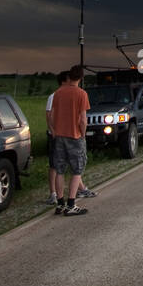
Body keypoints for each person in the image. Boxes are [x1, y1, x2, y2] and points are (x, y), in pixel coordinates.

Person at [50, 65, 94, 215]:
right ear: (81, 78)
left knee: (60, 170)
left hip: (59, 136)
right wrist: (83, 134)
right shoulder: (82, 94)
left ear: (69, 76)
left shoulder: (58, 93)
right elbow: (82, 119)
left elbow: (52, 115)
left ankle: (60, 203)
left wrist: (54, 131)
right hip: (74, 136)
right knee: (77, 170)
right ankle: (71, 204)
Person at [43, 70, 65, 206]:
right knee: (54, 165)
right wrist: (53, 132)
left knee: (68, 163)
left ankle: (80, 188)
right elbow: (49, 115)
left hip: (65, 134)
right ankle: (53, 193)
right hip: (56, 135)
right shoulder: (54, 96)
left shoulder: (63, 95)